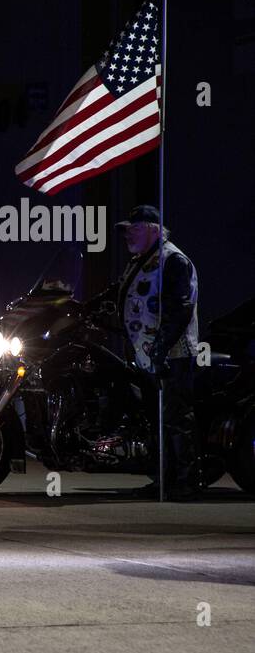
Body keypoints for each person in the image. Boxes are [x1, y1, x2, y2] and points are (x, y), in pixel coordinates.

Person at [115, 204, 200, 499]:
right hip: (147, 355)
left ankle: (186, 482)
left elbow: (181, 308)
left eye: (134, 228)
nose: (128, 234)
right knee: (157, 419)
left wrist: (161, 349)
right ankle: (163, 479)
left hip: (173, 354)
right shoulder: (141, 260)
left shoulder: (173, 260)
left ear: (153, 230)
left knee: (177, 417)